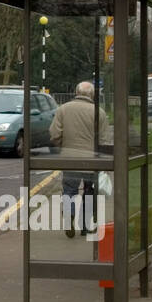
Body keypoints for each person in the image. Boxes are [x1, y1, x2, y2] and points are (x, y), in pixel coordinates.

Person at [49, 80, 111, 237]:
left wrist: (63, 147)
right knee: (90, 192)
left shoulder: (63, 109)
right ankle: (86, 226)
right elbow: (104, 141)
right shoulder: (100, 112)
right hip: (92, 160)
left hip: (70, 159)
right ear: (92, 95)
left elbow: (55, 134)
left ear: (76, 93)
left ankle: (69, 216)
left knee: (69, 190)